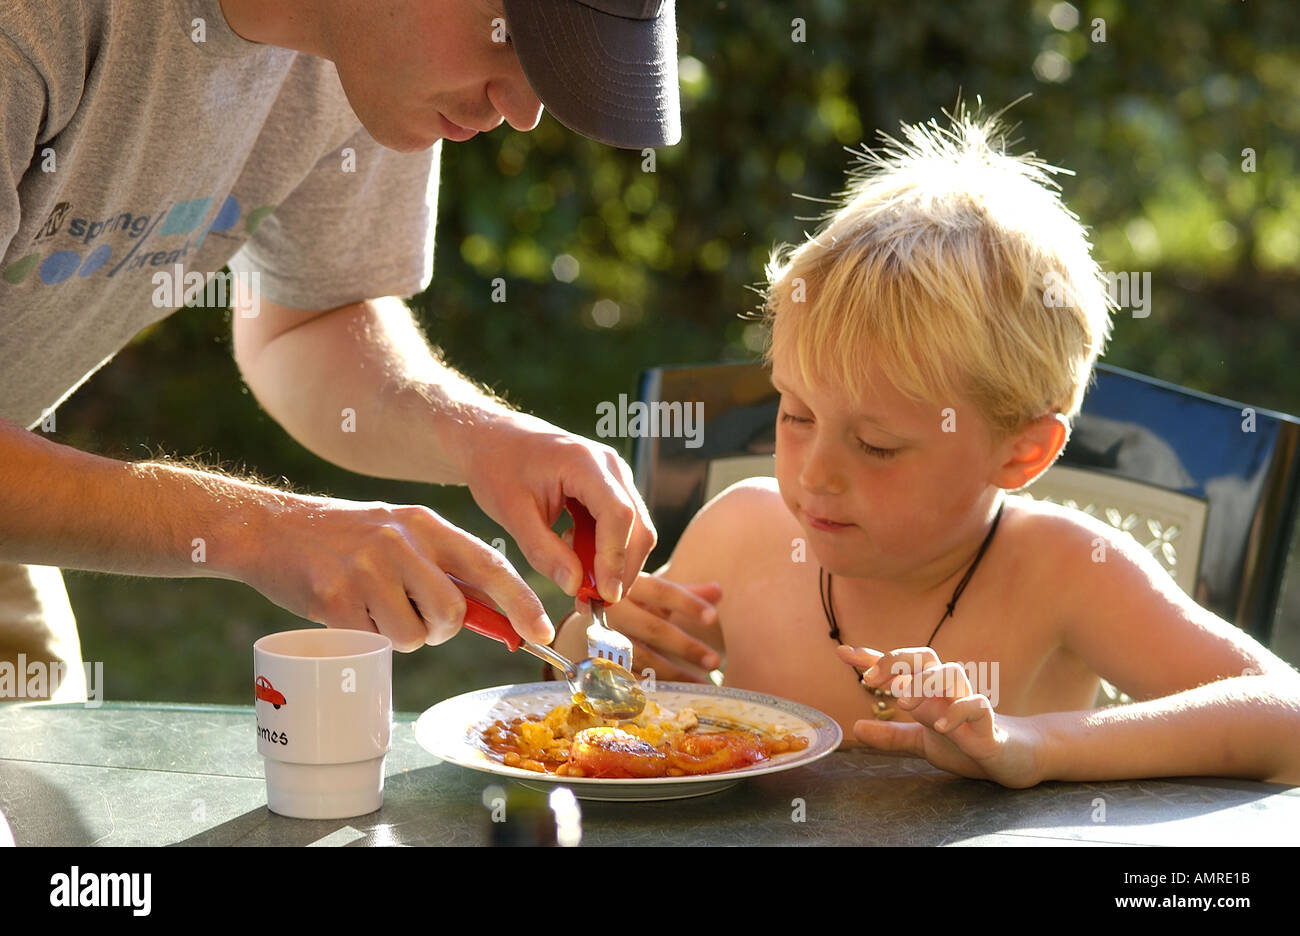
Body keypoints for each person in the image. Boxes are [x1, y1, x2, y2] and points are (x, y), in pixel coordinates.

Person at [554, 105, 1300, 788]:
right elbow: (621, 698)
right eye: (795, 414)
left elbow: (1287, 717)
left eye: (876, 445)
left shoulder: (1069, 573)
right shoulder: (743, 533)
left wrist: (1031, 745)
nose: (815, 473)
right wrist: (598, 654)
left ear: (1022, 453)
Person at [0, 0, 687, 701]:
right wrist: (256, 532)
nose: (521, 109)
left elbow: (307, 321)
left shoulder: (363, 53)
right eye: (508, 38)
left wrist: (482, 437)